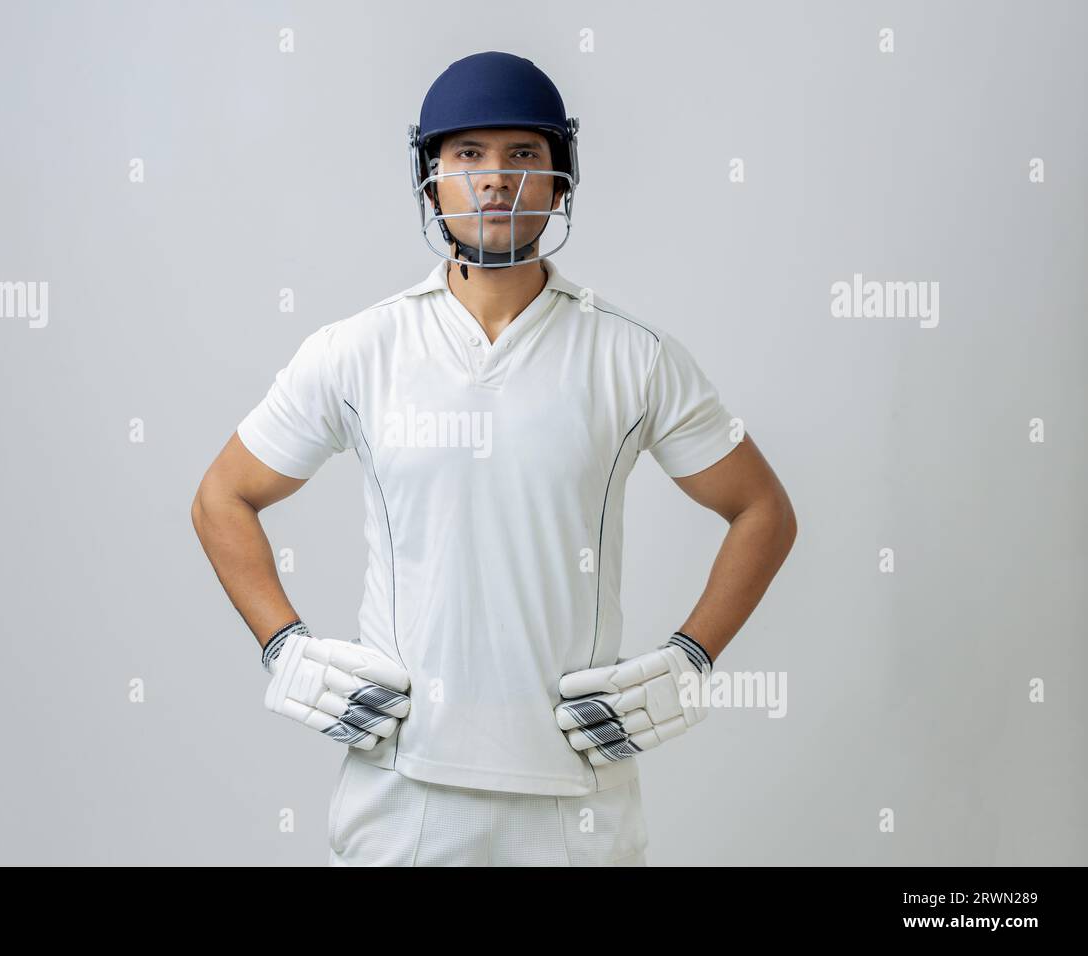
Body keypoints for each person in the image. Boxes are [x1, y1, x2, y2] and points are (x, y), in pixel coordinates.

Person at [191, 51, 797, 866]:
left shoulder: (634, 356)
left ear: (558, 178)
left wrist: (688, 659)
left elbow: (762, 510)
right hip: (401, 798)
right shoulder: (357, 351)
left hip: (578, 799)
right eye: (468, 155)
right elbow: (223, 496)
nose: (496, 180)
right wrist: (286, 647)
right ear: (431, 177)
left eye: (523, 156)